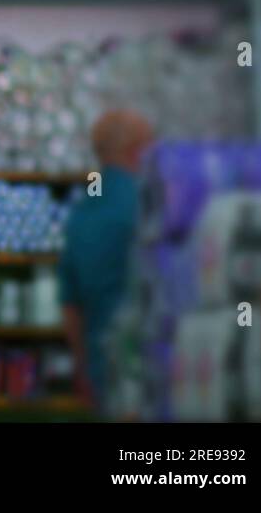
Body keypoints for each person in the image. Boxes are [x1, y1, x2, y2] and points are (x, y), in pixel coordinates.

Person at [59, 108, 155, 414]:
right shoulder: (151, 202)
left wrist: (82, 365)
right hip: (151, 357)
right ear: (138, 151)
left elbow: (71, 306)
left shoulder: (81, 213)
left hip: (102, 362)